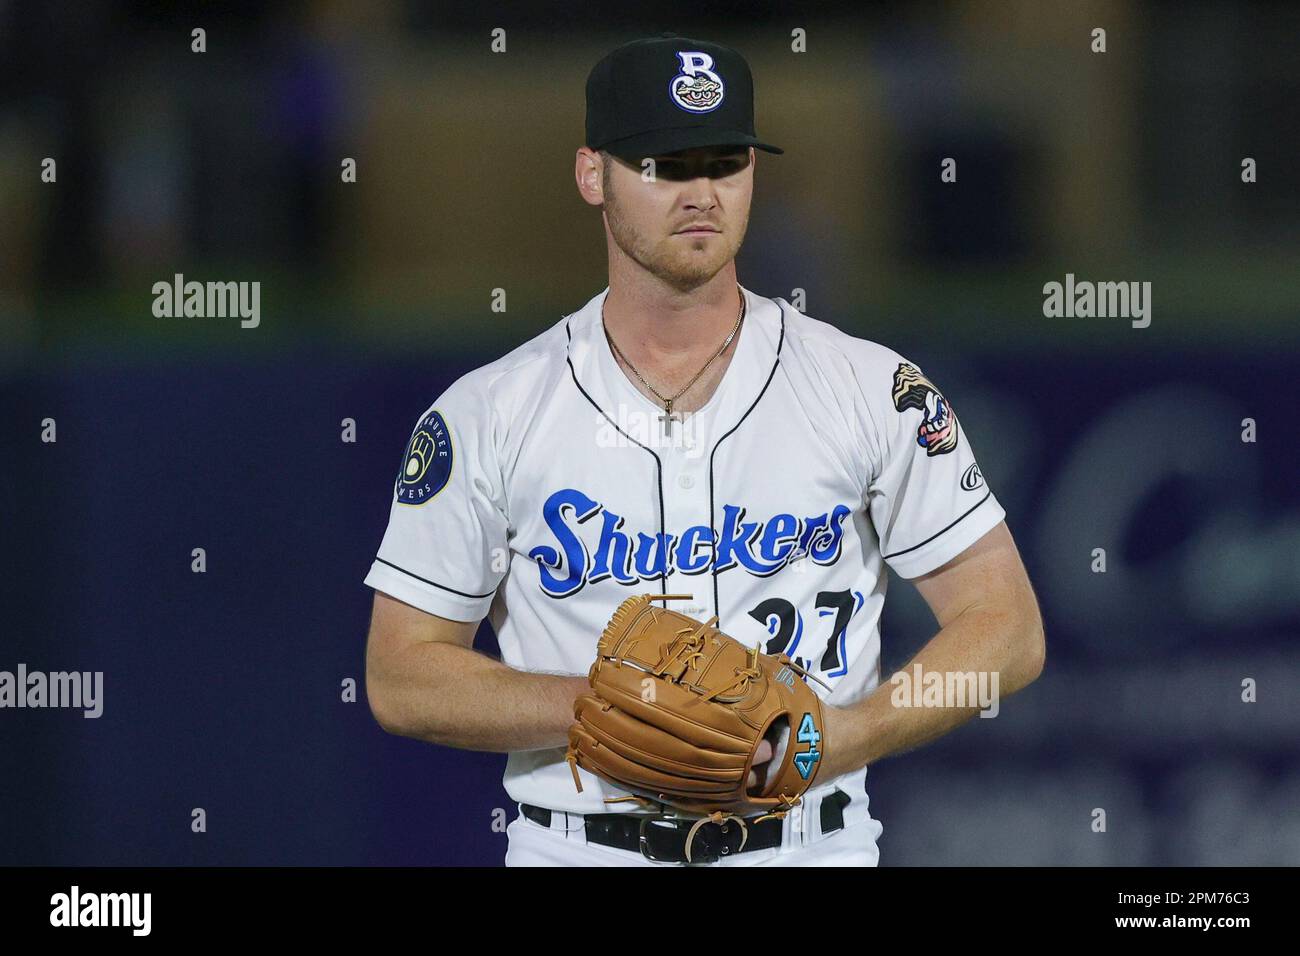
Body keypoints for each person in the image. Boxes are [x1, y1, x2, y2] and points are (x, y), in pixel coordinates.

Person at [362, 33, 1045, 866]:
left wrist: (845, 735)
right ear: (592, 175)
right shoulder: (490, 412)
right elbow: (402, 676)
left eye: (725, 162)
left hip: (809, 849)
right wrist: (613, 705)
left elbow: (1007, 632)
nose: (702, 192)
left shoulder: (868, 387)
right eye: (664, 164)